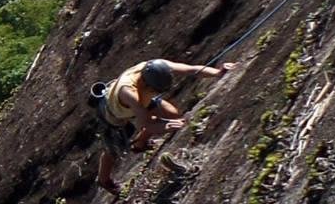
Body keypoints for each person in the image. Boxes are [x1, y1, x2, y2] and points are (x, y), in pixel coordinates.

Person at [93, 57, 234, 195]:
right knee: (113, 150)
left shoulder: (157, 66)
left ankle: (140, 144)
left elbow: (192, 69)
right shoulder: (129, 93)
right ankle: (103, 180)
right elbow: (146, 124)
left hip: (142, 100)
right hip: (113, 112)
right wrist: (165, 127)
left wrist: (218, 72)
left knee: (173, 114)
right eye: (156, 90)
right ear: (148, 85)